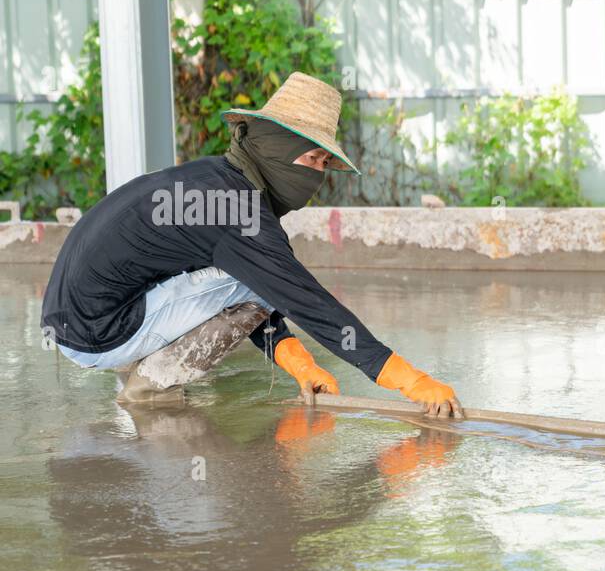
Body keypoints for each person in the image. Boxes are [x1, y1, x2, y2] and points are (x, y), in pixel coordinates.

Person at [40, 72, 463, 417]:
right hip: (98, 332)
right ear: (276, 146)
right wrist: (407, 379)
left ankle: (138, 364)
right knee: (265, 281)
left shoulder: (214, 181)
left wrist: (300, 363)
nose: (316, 175)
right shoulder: (237, 211)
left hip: (76, 322)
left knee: (253, 277)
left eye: (323, 164)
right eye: (310, 159)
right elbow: (307, 300)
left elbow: (255, 281)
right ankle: (150, 390)